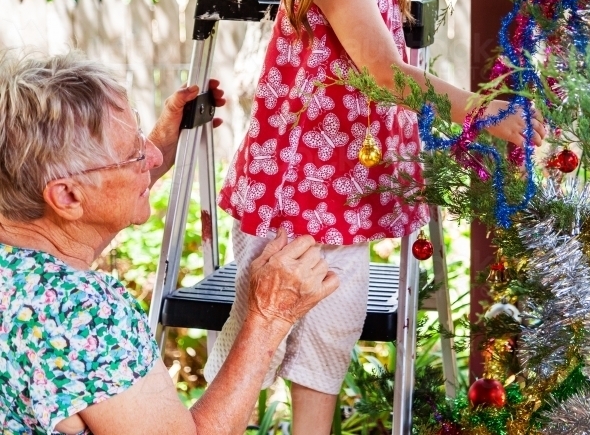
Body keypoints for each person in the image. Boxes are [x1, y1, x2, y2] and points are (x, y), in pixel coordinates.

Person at [206, 0, 546, 434]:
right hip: (294, 203)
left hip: (345, 199)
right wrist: (482, 112)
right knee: (255, 344)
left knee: (330, 346)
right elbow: (388, 74)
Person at [0, 52, 340, 435]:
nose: (153, 155)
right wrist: (268, 317)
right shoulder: (75, 311)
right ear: (67, 197)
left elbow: (85, 214)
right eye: (133, 155)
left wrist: (158, 143)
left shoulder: (19, 269)